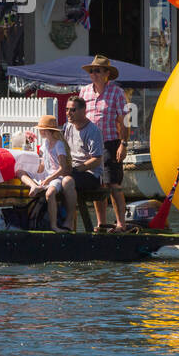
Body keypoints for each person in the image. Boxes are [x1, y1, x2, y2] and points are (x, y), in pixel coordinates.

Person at [78, 55, 130, 231]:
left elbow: (125, 120)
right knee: (97, 184)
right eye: (92, 71)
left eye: (98, 70)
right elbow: (79, 117)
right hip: (91, 145)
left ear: (107, 73)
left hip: (110, 142)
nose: (94, 74)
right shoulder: (84, 92)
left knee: (113, 184)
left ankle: (121, 223)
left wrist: (124, 144)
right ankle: (101, 223)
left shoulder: (116, 92)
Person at [64, 96, 119, 233]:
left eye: (73, 110)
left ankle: (69, 225)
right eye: (67, 109)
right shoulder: (67, 127)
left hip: (91, 175)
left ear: (83, 111)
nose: (68, 113)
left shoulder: (93, 131)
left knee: (67, 181)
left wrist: (75, 169)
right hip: (74, 171)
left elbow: (96, 159)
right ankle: (52, 223)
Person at [19, 115, 74, 233]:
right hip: (47, 174)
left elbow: (63, 168)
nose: (39, 131)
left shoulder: (59, 144)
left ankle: (54, 225)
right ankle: (35, 186)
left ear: (46, 130)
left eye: (41, 129)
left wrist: (49, 179)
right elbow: (43, 165)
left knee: (50, 193)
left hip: (57, 176)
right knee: (20, 170)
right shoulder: (46, 143)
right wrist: (33, 168)